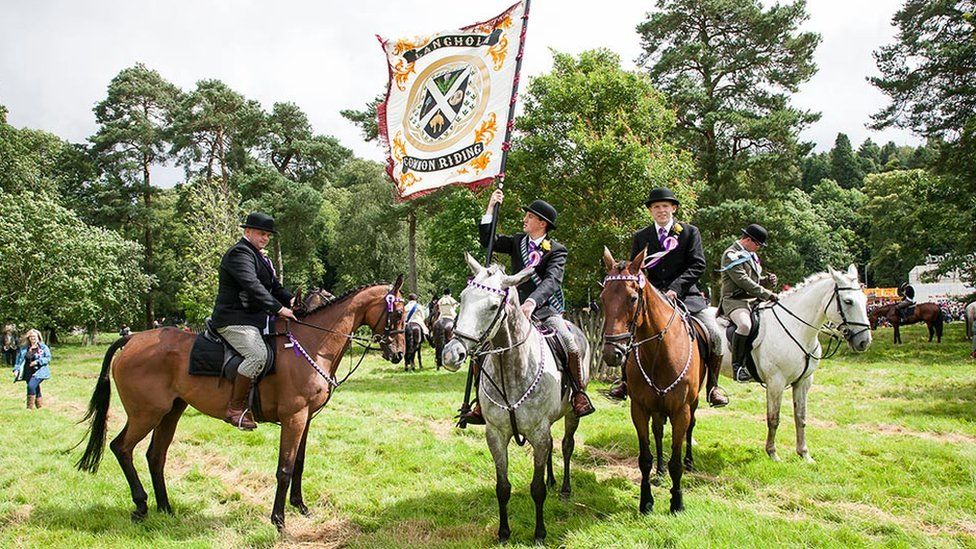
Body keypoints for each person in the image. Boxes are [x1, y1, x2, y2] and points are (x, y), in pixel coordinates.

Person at [462, 188, 594, 422]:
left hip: (544, 310)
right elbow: (487, 241)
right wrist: (490, 207)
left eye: (530, 217)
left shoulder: (557, 251)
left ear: (542, 223)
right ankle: (480, 403)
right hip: (512, 311)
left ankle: (578, 394)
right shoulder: (517, 241)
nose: (525, 219)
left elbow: (553, 280)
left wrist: (532, 301)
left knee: (570, 344)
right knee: (482, 348)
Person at [606, 187, 728, 407]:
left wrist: (675, 288)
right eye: (656, 207)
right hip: (651, 300)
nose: (661, 210)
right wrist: (649, 292)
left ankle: (713, 387)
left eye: (665, 206)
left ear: (673, 208)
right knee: (631, 334)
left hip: (686, 296)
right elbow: (636, 271)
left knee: (715, 335)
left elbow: (698, 264)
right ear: (651, 211)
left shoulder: (690, 233)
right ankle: (624, 382)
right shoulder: (641, 237)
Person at [211, 212, 296, 431]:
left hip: (255, 320)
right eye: (261, 233)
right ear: (247, 232)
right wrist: (279, 308)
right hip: (234, 319)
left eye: (268, 235)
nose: (265, 238)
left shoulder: (259, 257)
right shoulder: (240, 254)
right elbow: (253, 286)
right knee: (258, 355)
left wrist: (291, 299)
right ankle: (236, 409)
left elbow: (274, 287)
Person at [719, 224, 778, 383]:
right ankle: (737, 367)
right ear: (748, 239)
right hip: (735, 301)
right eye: (757, 244)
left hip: (752, 301)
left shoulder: (750, 255)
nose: (758, 248)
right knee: (745, 325)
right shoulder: (730, 254)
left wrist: (767, 281)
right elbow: (743, 280)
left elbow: (754, 280)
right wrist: (766, 294)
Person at [12, 329, 51, 410]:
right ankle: (40, 407)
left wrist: (37, 362)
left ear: (38, 337)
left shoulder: (43, 347)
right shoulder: (24, 348)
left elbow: (48, 358)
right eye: (31, 336)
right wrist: (16, 369)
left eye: (34, 336)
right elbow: (18, 360)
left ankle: (29, 408)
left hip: (39, 372)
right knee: (35, 387)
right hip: (27, 371)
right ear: (28, 338)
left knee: (31, 386)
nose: (33, 338)